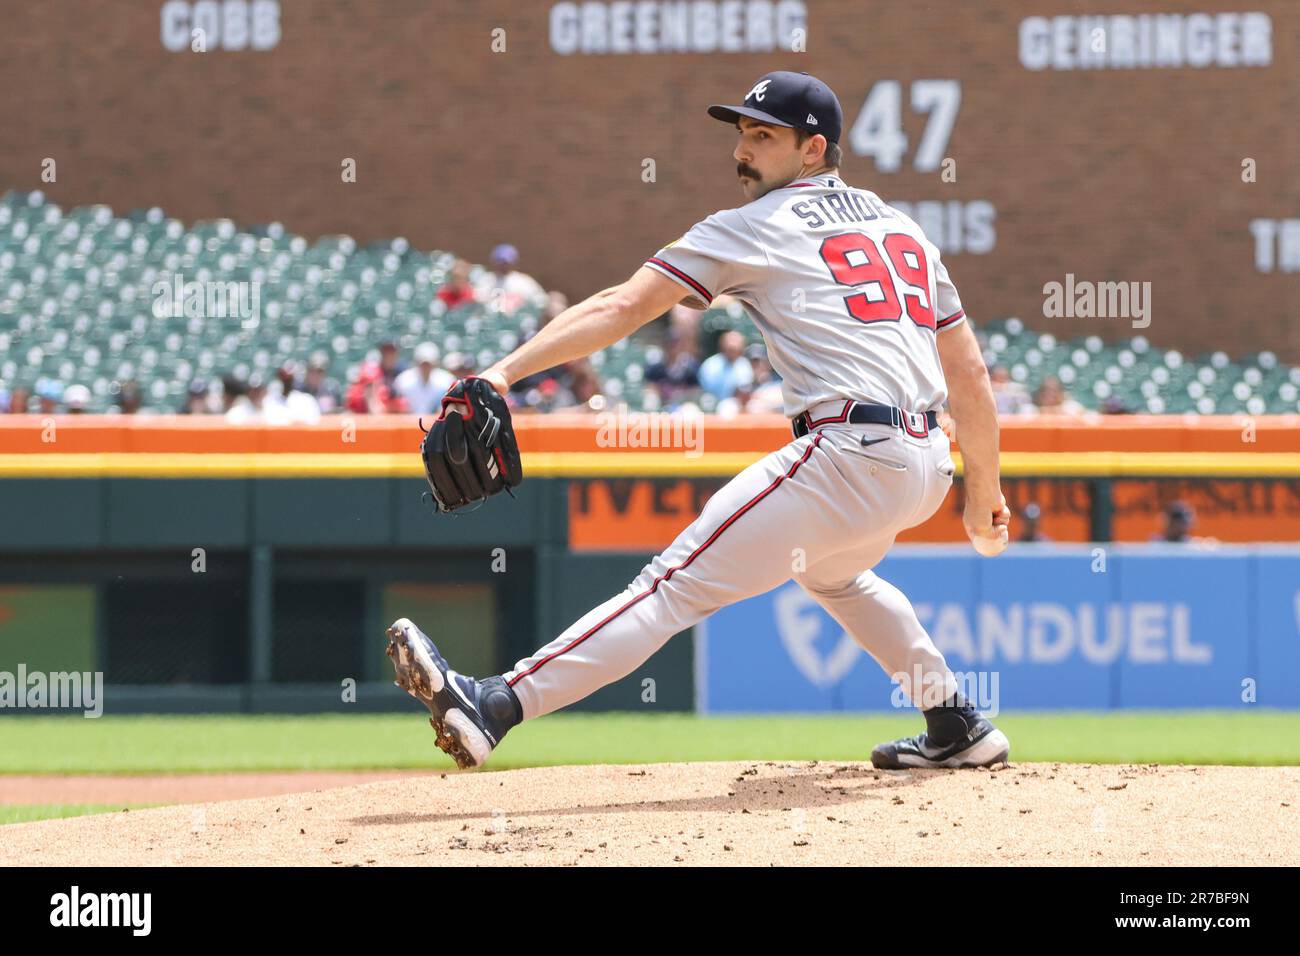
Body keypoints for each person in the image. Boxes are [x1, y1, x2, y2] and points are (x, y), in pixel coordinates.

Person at [384, 70, 1011, 772]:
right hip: (924, 463)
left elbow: (623, 305)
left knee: (667, 586)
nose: (742, 149)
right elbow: (969, 376)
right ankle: (954, 721)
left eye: (762, 135)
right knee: (834, 576)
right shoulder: (904, 231)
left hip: (848, 453)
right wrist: (982, 490)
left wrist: (501, 373)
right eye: (741, 132)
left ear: (814, 150)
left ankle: (495, 705)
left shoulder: (755, 227)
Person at [474, 243, 547, 314]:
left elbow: (540, 300)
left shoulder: (523, 281)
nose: (503, 265)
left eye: (506, 263)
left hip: (517, 321)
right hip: (490, 321)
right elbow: (476, 301)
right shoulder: (486, 280)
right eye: (500, 262)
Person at [393, 342, 455, 416]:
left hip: (437, 425)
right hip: (408, 424)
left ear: (435, 363)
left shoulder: (446, 380)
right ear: (416, 362)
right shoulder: (403, 380)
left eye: (428, 364)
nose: (425, 367)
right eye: (423, 364)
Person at [698, 329, 754, 400]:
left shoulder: (744, 365)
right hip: (713, 404)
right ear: (723, 346)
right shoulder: (710, 365)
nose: (733, 351)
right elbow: (706, 391)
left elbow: (745, 389)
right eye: (730, 348)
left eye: (736, 349)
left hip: (737, 405)